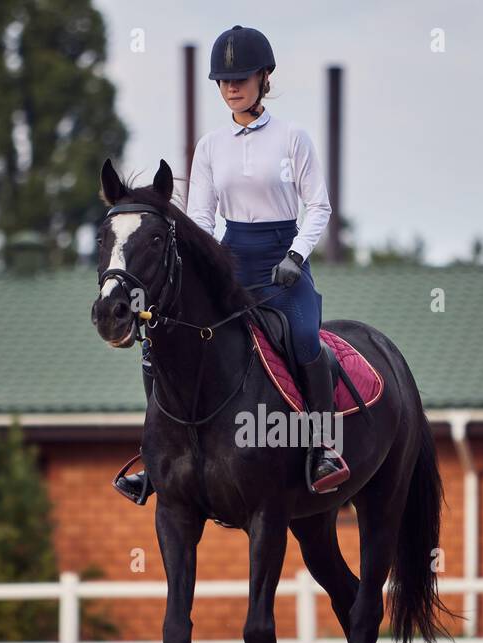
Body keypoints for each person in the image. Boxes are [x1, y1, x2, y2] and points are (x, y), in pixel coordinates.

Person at [113, 24, 348, 505]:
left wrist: (297, 256)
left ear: (265, 77)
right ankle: (154, 460)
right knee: (159, 341)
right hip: (230, 259)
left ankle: (323, 448)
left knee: (307, 341)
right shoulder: (211, 147)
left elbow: (319, 207)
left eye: (240, 78)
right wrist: (205, 264)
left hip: (283, 258)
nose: (231, 87)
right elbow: (200, 217)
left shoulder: (293, 138)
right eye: (223, 80)